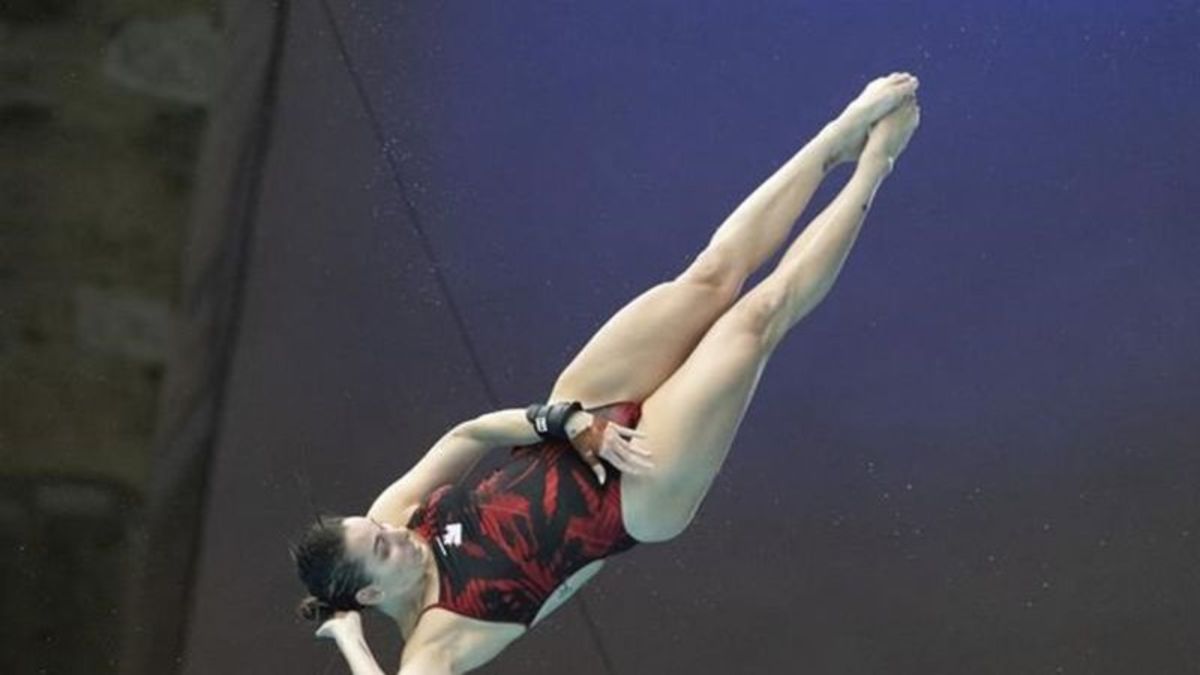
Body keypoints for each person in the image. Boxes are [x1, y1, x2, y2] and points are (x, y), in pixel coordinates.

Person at [291, 72, 921, 674]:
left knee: (710, 274)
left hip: (575, 418)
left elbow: (466, 435)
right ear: (371, 597)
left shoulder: (394, 512)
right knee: (755, 319)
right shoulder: (433, 642)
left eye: (374, 528)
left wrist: (560, 420)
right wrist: (350, 642)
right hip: (635, 493)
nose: (391, 533)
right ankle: (876, 166)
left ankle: (837, 136)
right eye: (382, 549)